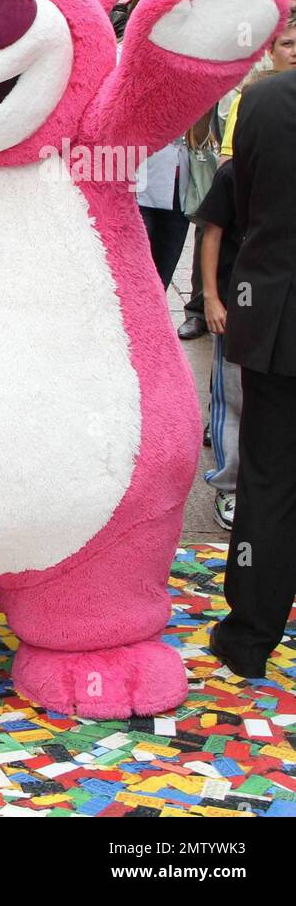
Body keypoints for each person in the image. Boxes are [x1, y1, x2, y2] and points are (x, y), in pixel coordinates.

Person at [210, 64, 296, 681]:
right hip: (273, 308)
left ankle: (249, 637)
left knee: (270, 478)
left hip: (277, 312)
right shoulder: (262, 97)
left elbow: (244, 204)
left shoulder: (263, 99)